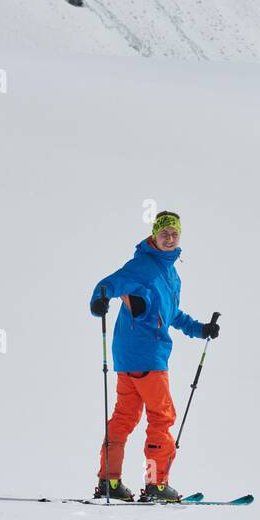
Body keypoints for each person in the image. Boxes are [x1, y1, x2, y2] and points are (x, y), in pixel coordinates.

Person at [89, 210, 220, 503]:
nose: (170, 238)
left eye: (174, 234)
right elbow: (107, 285)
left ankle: (109, 480)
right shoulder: (142, 266)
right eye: (164, 233)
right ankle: (156, 484)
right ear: (154, 235)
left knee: (124, 417)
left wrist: (201, 330)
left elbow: (172, 315)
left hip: (128, 358)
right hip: (148, 357)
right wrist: (98, 301)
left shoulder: (170, 274)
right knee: (161, 418)